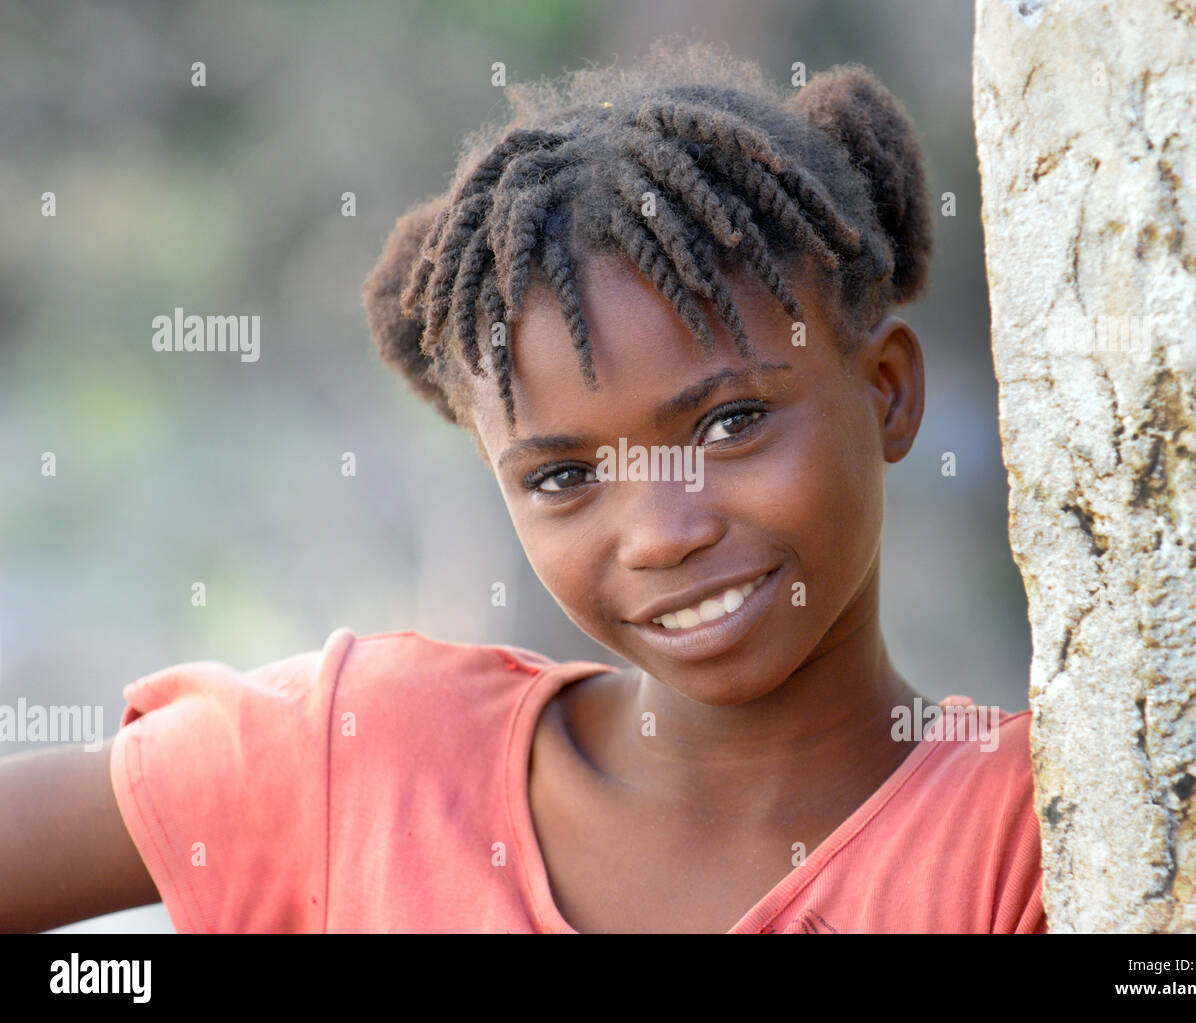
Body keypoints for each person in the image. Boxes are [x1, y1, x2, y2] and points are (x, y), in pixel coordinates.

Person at [0, 36, 1045, 934]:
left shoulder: (1032, 832)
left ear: (888, 391)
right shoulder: (369, 758)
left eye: (729, 424)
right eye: (563, 476)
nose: (659, 534)